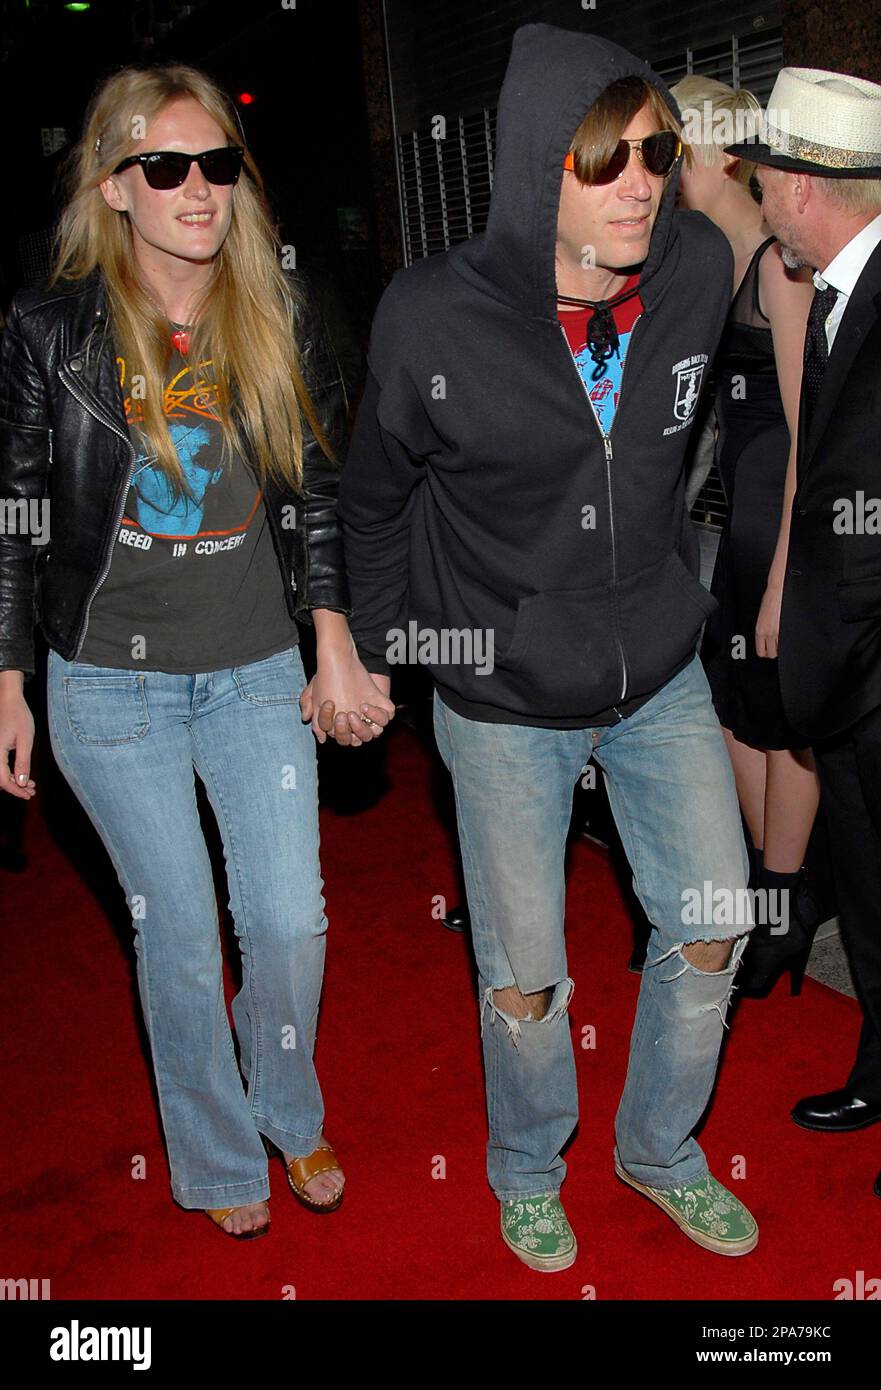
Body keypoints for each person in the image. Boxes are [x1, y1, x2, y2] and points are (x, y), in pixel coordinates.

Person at [338, 23, 759, 1270]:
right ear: (538, 169)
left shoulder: (687, 269)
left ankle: (657, 1147)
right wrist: (371, 649)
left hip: (656, 676)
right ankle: (527, 1167)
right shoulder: (432, 317)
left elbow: (787, 257)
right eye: (601, 157)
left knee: (710, 926)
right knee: (524, 982)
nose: (636, 179)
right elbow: (368, 501)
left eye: (652, 150)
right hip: (502, 694)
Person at [0, 64, 394, 1239]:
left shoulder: (278, 304)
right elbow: (17, 503)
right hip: (107, 684)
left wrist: (334, 640)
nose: (195, 188)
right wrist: (6, 673)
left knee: (286, 920)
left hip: (254, 668)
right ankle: (218, 1156)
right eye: (163, 167)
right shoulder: (50, 328)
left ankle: (283, 1099)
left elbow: (320, 487)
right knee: (174, 926)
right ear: (115, 185)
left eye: (215, 164)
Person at [726, 66, 881, 1197]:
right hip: (851, 682)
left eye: (761, 174)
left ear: (798, 185)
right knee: (870, 888)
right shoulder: (828, 288)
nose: (751, 191)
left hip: (872, 670)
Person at [672, 75, 821, 997]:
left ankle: (783, 903)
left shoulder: (777, 263)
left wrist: (782, 580)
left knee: (779, 714)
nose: (654, 175)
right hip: (733, 515)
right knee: (731, 706)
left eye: (670, 153)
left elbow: (815, 429)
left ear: (720, 155)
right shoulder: (704, 257)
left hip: (782, 516)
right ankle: (776, 895)